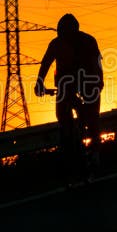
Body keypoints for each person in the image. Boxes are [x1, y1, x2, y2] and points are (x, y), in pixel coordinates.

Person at [35, 13, 103, 182]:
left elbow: (96, 66)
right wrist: (39, 82)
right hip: (68, 85)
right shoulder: (57, 43)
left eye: (65, 33)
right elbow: (46, 62)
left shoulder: (87, 41)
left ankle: (94, 153)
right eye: (61, 33)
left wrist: (96, 85)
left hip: (88, 84)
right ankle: (72, 145)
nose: (63, 37)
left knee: (92, 118)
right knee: (64, 116)